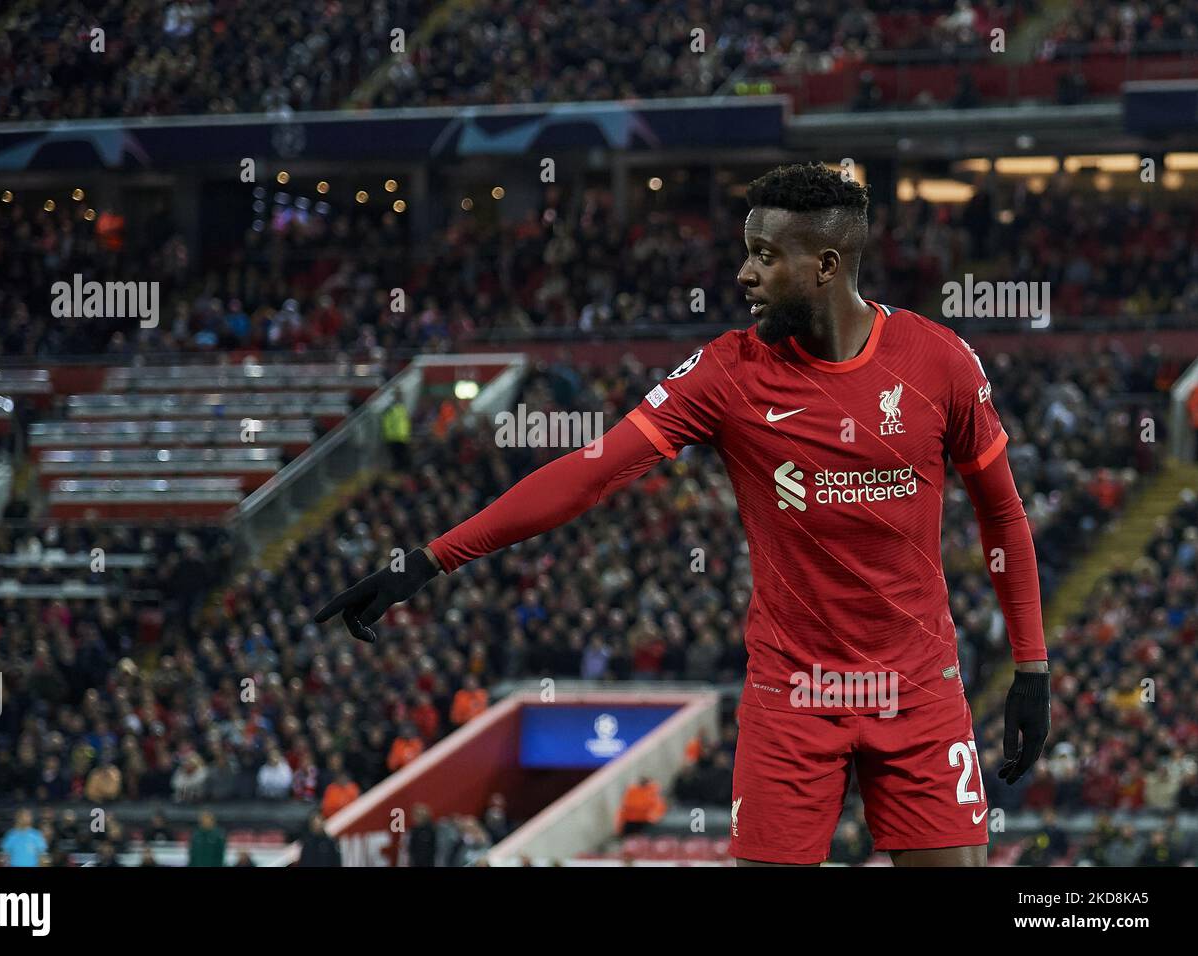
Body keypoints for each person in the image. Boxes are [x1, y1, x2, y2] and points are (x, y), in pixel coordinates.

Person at [314, 163, 1049, 867]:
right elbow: (589, 473)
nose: (744, 275)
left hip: (919, 693)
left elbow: (1004, 516)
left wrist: (1032, 668)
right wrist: (430, 559)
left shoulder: (939, 362)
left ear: (826, 266)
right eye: (745, 253)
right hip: (791, 699)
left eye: (765, 256)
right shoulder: (727, 373)